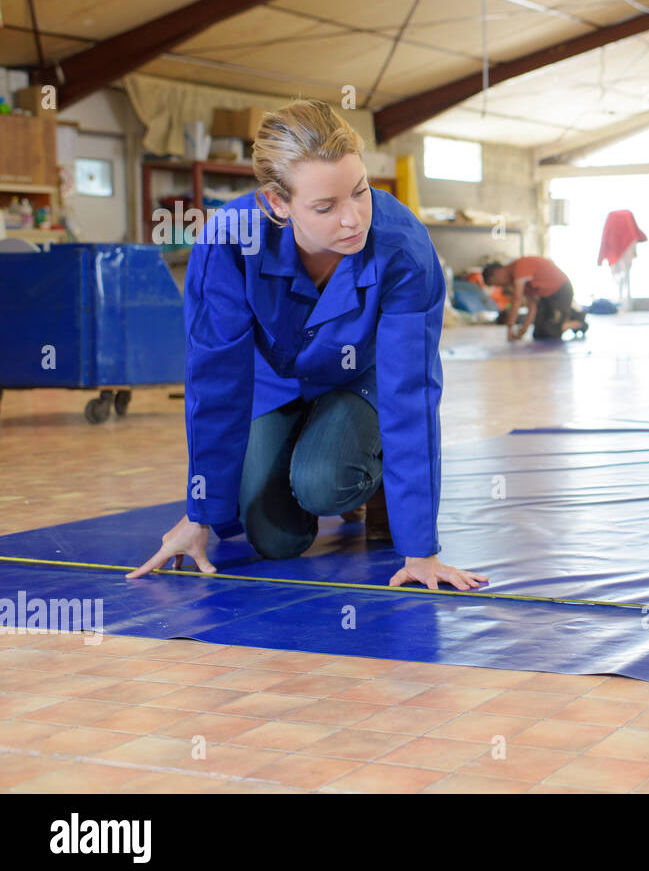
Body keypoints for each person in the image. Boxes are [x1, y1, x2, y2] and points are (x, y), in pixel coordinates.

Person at [128, 99, 486, 592]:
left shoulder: (404, 247)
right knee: (274, 538)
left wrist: (420, 549)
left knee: (323, 482)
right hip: (275, 381)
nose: (353, 219)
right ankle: (312, 457)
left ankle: (365, 476)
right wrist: (200, 513)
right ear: (277, 203)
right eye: (325, 206)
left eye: (361, 191)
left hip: (361, 378)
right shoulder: (229, 244)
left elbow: (411, 393)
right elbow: (215, 383)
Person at [482, 256, 587, 340]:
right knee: (538, 334)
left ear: (497, 273)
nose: (501, 286)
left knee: (550, 332)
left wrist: (510, 327)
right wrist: (523, 331)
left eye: (496, 283)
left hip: (561, 291)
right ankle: (566, 316)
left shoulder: (520, 267)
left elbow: (517, 300)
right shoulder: (520, 281)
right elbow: (532, 306)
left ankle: (578, 322)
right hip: (546, 297)